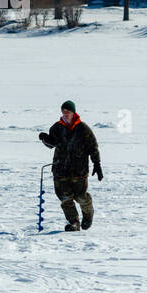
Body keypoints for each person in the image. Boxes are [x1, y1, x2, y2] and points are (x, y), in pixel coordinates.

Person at [38, 99, 103, 231]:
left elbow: (93, 147)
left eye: (68, 111)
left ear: (74, 112)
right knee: (65, 198)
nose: (65, 113)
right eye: (63, 111)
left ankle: (88, 212)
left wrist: (97, 164)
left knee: (80, 196)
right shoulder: (56, 127)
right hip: (60, 169)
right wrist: (45, 139)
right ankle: (74, 223)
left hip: (79, 170)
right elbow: (52, 144)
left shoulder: (83, 128)